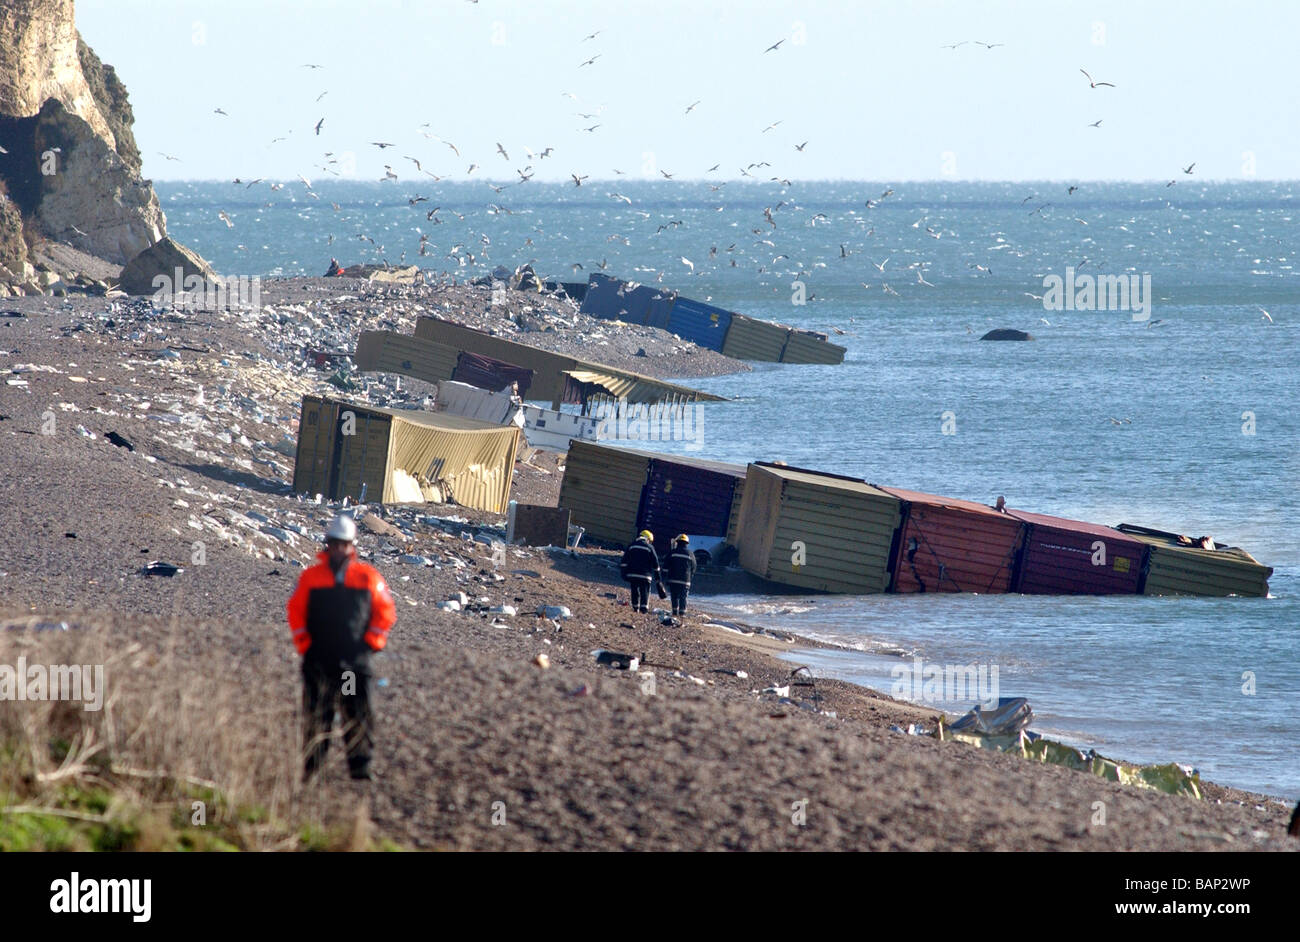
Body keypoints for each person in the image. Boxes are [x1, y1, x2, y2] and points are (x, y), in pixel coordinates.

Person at [287, 514, 396, 781]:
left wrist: (370, 644)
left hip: (351, 667)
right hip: (319, 664)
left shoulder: (367, 578)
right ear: (328, 544)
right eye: (335, 544)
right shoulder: (311, 578)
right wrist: (305, 645)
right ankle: (313, 770)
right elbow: (296, 612)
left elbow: (386, 612)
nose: (339, 549)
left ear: (352, 546)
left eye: (344, 544)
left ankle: (360, 769)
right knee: (317, 716)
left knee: (356, 713)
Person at [619, 530, 662, 613]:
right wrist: (658, 580)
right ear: (648, 539)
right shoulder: (650, 547)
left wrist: (624, 574)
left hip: (633, 574)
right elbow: (656, 565)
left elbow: (624, 561)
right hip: (645, 575)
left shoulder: (631, 546)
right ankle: (644, 608)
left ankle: (635, 608)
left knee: (634, 590)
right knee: (645, 591)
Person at [665, 534, 697, 616]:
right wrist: (690, 577)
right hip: (685, 581)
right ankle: (682, 613)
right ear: (687, 543)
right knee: (683, 597)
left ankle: (674, 611)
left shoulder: (672, 552)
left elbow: (666, 565)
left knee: (674, 596)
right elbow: (694, 567)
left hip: (673, 579)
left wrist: (664, 577)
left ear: (677, 542)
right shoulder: (690, 554)